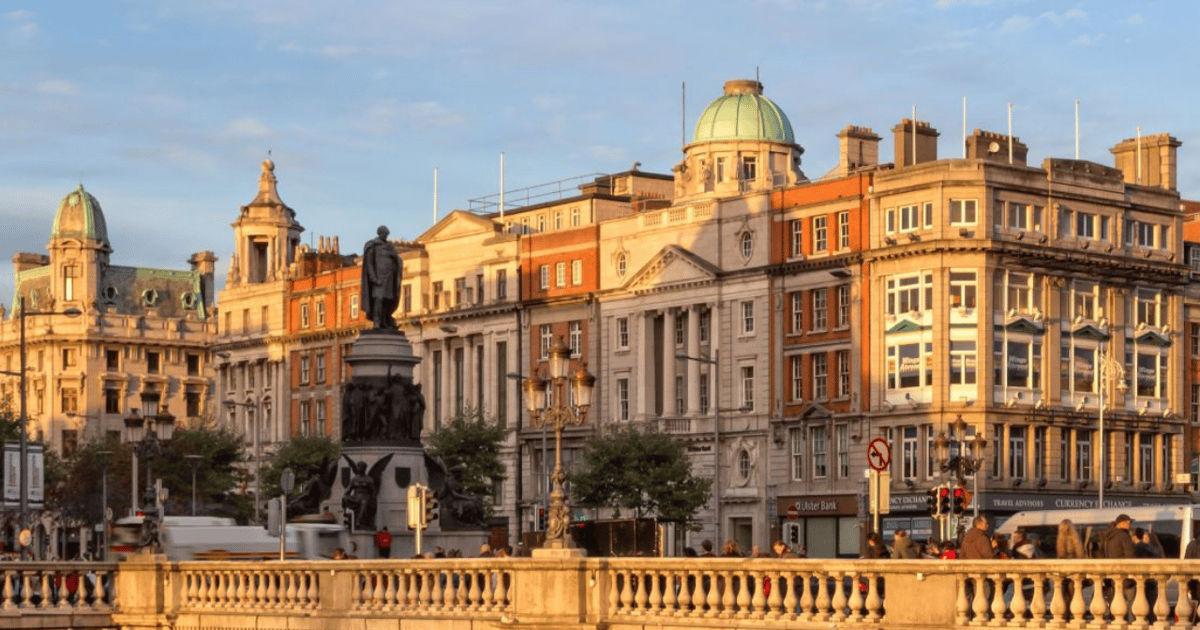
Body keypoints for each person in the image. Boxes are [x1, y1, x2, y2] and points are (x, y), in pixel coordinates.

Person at [361, 225, 402, 330]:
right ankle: (377, 322)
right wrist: (374, 278)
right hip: (379, 279)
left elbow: (397, 259)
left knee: (388, 300)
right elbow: (369, 264)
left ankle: (385, 321)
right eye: (384, 233)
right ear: (379, 233)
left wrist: (395, 258)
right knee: (378, 300)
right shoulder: (373, 246)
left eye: (387, 234)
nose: (386, 235)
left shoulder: (390, 247)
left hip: (389, 279)